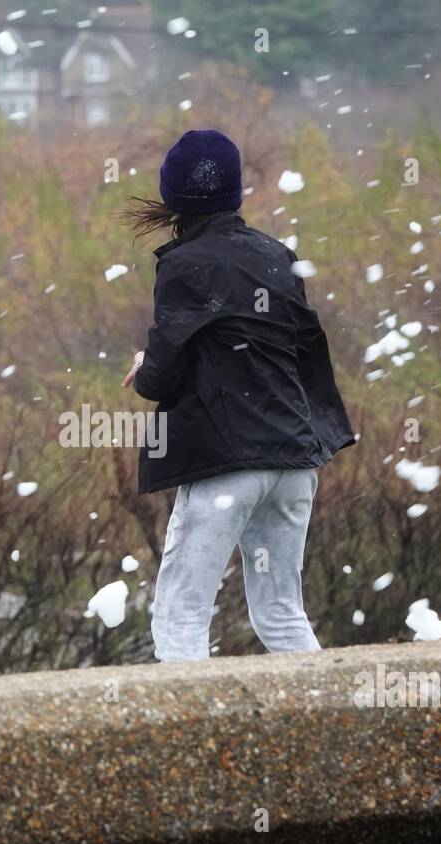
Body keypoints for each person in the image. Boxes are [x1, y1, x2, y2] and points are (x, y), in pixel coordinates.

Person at [120, 128, 355, 663]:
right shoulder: (278, 255)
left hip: (230, 464)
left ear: (172, 195)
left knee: (181, 614)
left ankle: (185, 740)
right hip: (295, 460)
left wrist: (143, 364)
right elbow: (295, 353)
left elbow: (160, 378)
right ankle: (325, 719)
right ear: (236, 193)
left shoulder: (184, 266)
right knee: (281, 613)